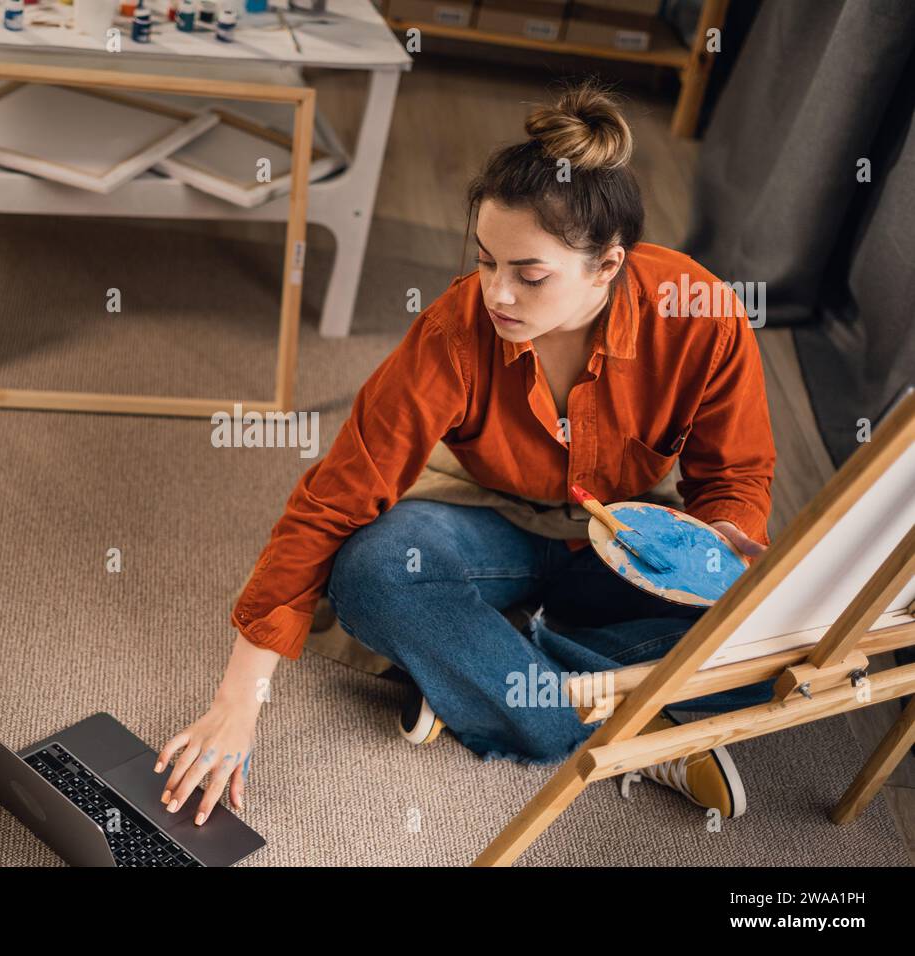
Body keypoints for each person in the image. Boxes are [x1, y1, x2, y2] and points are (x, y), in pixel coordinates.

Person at [155, 81, 776, 828]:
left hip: (625, 544)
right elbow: (333, 500)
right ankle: (625, 723)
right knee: (374, 572)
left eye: (529, 274)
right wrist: (236, 703)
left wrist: (721, 557)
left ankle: (481, 674)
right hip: (482, 520)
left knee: (763, 649)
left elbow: (735, 481)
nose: (496, 293)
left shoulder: (699, 313)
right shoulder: (455, 331)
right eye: (485, 261)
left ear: (608, 268)